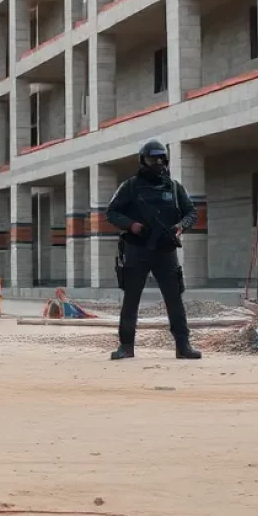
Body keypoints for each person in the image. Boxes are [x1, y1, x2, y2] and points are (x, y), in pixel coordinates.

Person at [105, 139, 202, 361]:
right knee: (131, 299)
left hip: (165, 251)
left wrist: (180, 226)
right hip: (137, 249)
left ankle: (183, 345)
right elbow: (111, 213)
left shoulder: (175, 188)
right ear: (143, 160)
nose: (157, 162)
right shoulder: (130, 186)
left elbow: (191, 213)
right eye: (152, 158)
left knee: (174, 298)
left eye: (161, 158)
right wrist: (131, 225)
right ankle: (126, 346)